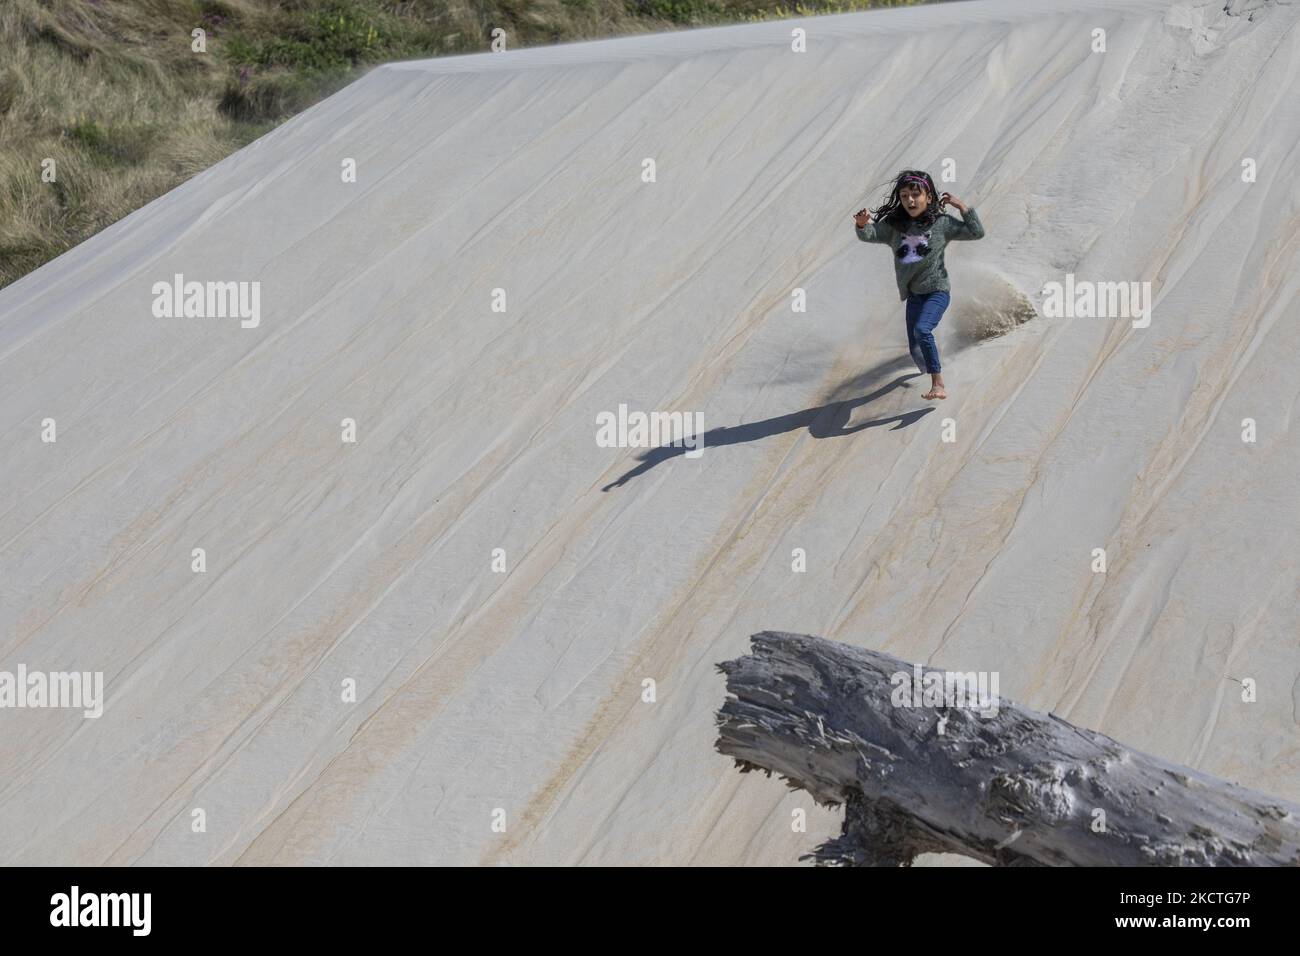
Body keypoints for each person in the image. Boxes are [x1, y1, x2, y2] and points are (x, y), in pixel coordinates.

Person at [853, 170, 985, 400]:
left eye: (915, 194)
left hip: (937, 291)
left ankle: (938, 383)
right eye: (904, 196)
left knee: (922, 329)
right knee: (915, 350)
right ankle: (928, 367)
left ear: (929, 197)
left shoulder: (941, 224)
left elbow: (976, 232)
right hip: (915, 296)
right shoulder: (895, 226)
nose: (910, 200)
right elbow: (870, 234)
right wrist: (862, 225)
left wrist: (961, 206)